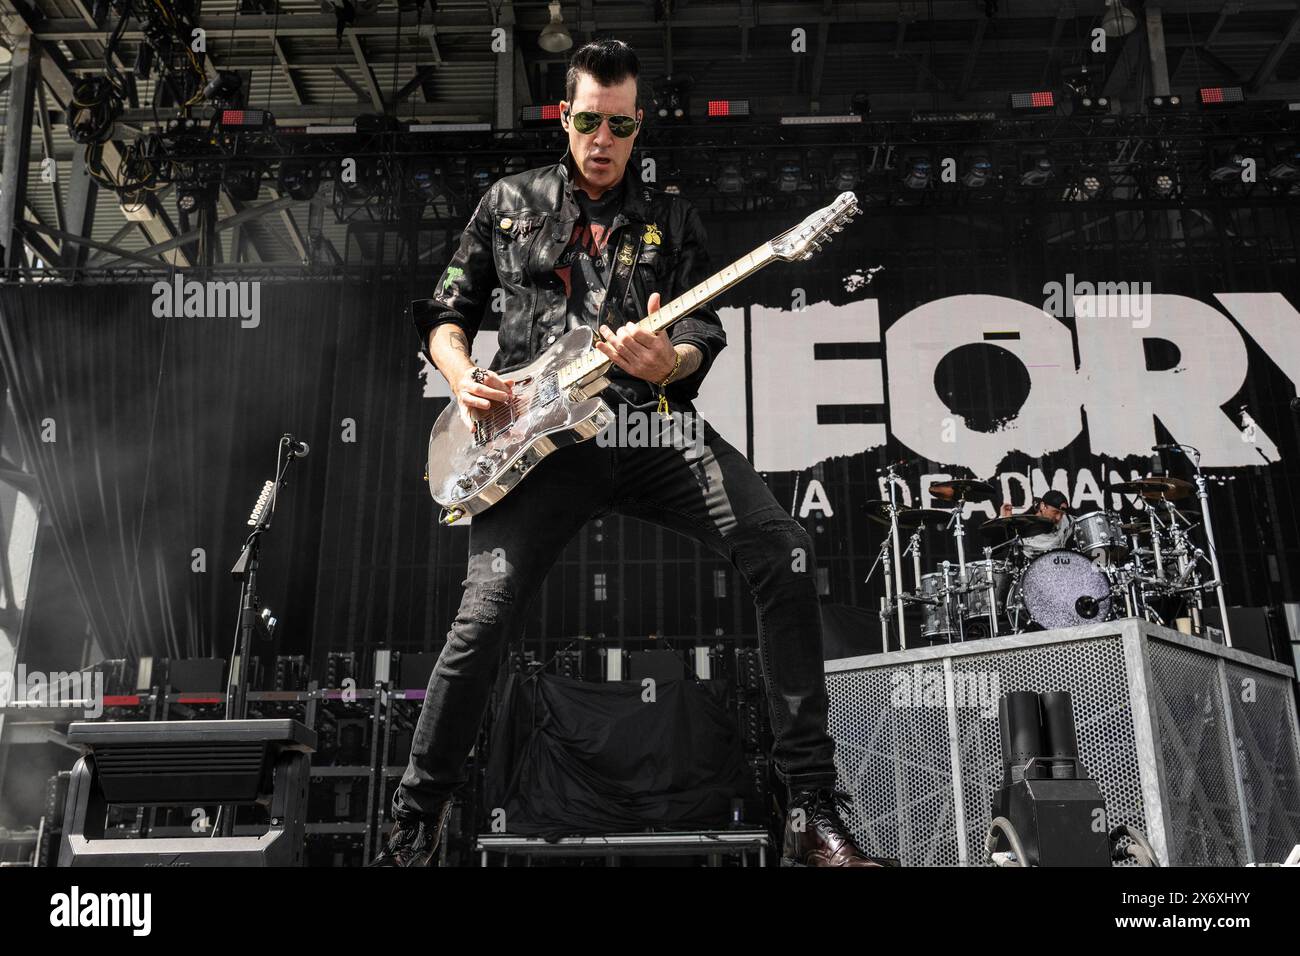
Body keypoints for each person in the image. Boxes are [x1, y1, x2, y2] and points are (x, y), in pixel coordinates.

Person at [370, 38, 877, 868]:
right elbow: (445, 310)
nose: (602, 139)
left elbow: (701, 331)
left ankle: (811, 811)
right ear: (563, 118)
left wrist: (667, 362)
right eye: (587, 121)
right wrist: (463, 377)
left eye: (620, 125)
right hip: (533, 445)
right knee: (482, 618)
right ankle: (413, 829)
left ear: (638, 127)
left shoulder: (670, 218)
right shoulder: (508, 202)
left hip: (649, 428)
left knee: (783, 550)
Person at [999, 489, 1073, 554]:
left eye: (1062, 514)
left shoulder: (1068, 520)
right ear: (1042, 506)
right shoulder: (1022, 523)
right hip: (1032, 564)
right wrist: (1005, 520)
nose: (1058, 518)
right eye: (1055, 512)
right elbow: (1002, 543)